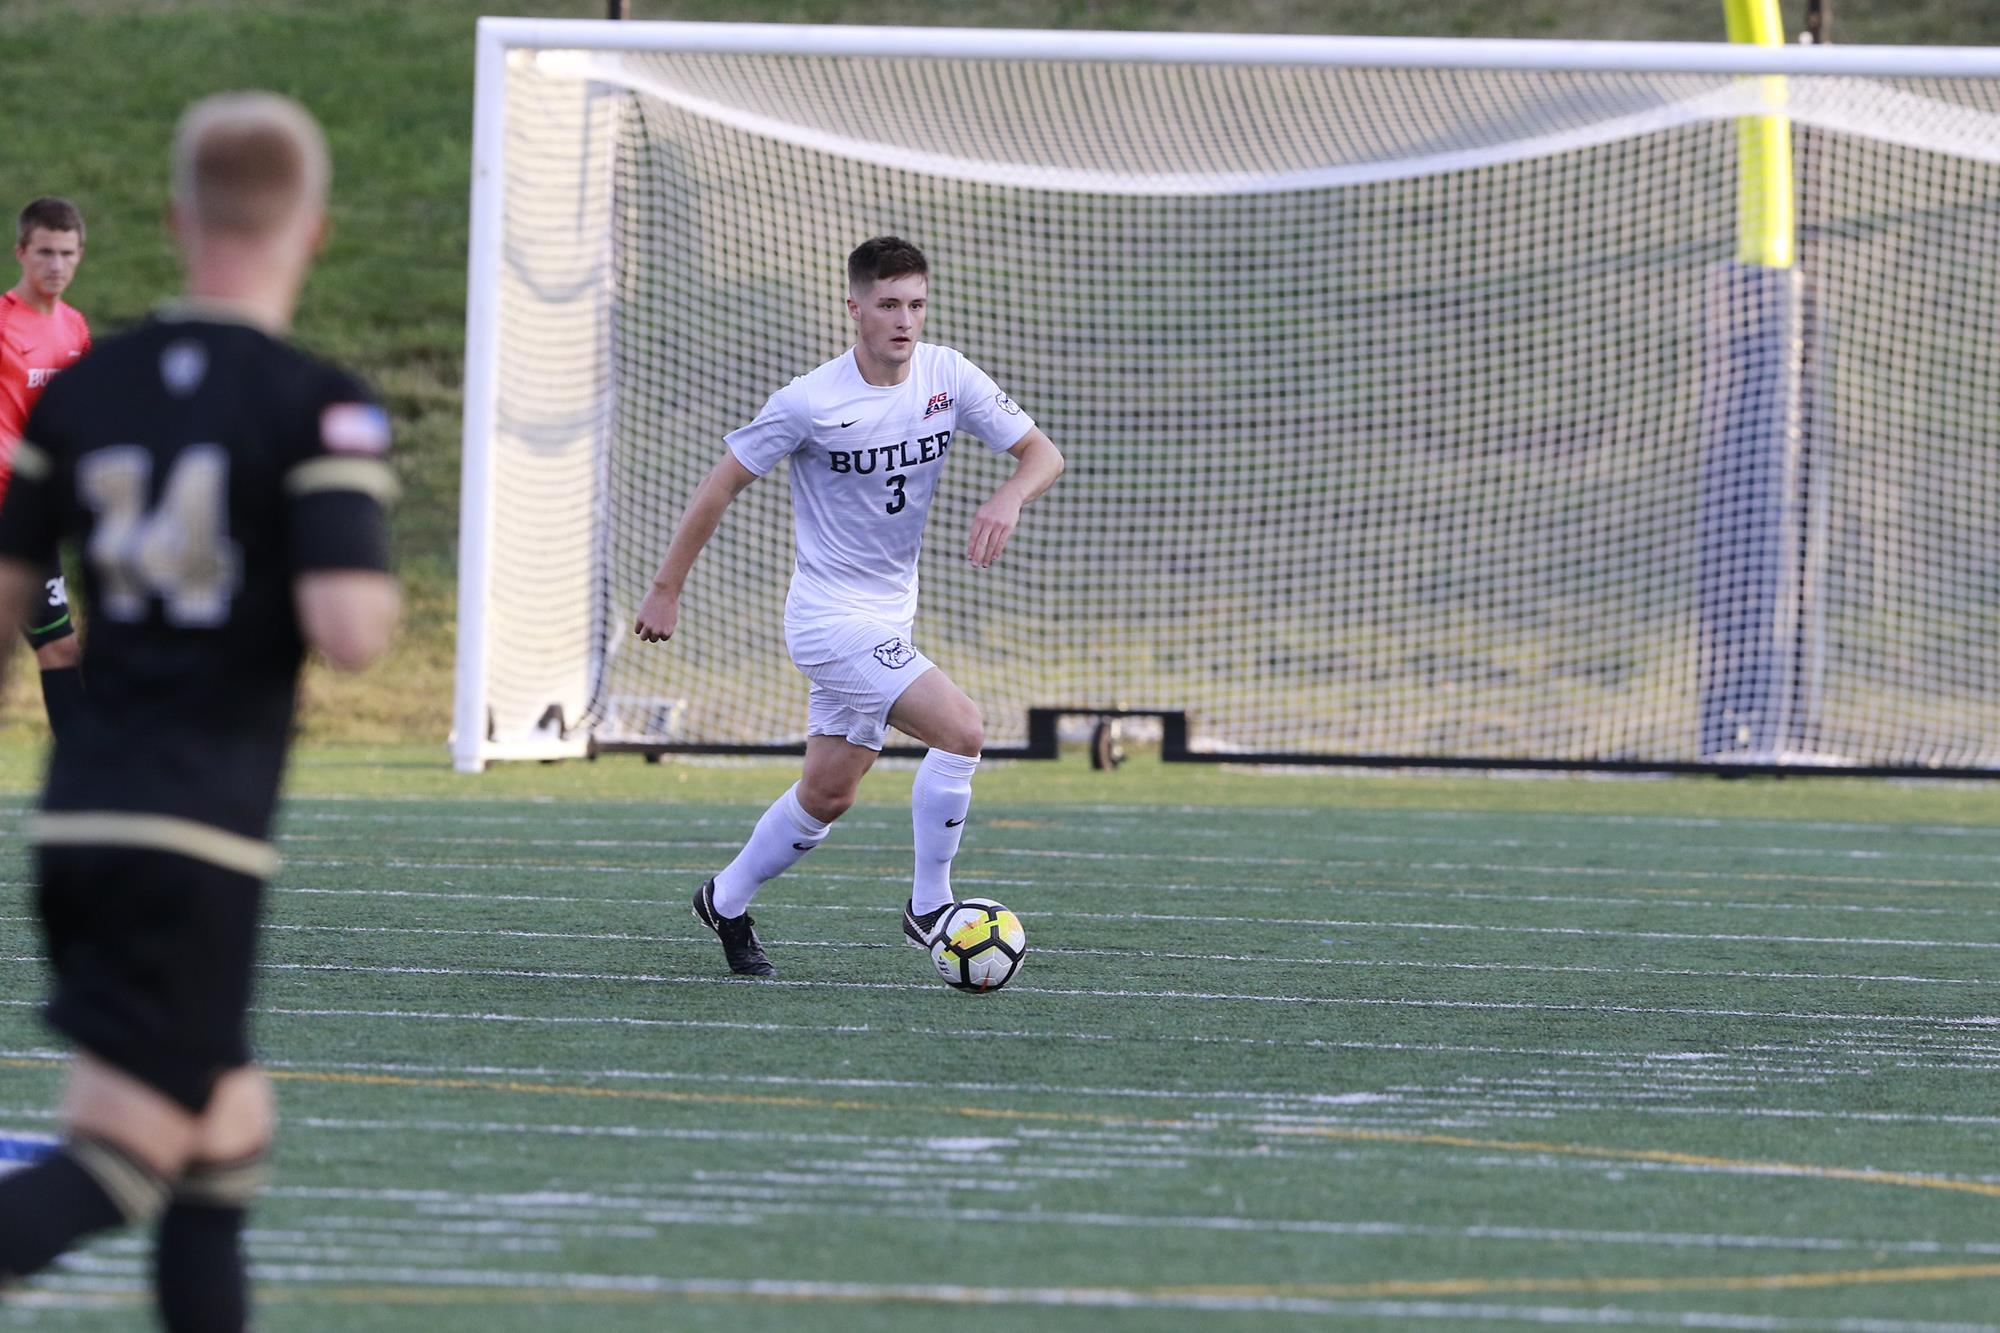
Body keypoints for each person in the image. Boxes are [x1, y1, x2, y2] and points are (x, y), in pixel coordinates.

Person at [0, 93, 400, 1328]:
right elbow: (351, 634)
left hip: (80, 820)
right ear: (315, 232)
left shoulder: (85, 389)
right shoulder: (318, 404)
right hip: (198, 832)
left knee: (226, 1143)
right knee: (126, 1154)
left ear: (178, 224)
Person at [635, 235, 1064, 977]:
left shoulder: (946, 374)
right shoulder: (810, 401)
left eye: (917, 304)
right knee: (961, 728)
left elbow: (1043, 453)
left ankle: (725, 899)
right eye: (890, 304)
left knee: (829, 794)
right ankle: (931, 904)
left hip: (889, 615)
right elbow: (720, 486)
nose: (906, 321)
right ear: (855, 308)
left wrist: (1009, 494)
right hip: (828, 621)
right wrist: (666, 589)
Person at [0, 197, 92, 736]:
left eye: (66, 253)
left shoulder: (75, 328)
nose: (55, 265)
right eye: (44, 253)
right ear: (21, 253)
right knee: (58, 647)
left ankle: (84, 775)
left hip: (32, 517)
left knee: (58, 648)